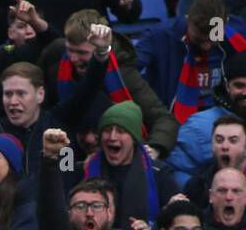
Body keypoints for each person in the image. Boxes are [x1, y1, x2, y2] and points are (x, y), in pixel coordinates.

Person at [132, 0, 246, 119]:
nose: (206, 45)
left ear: (225, 23)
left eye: (213, 39)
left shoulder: (236, 30)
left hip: (228, 118)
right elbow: (130, 66)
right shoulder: (162, 36)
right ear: (188, 20)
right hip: (174, 121)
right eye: (199, 39)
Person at [38, 11, 177, 160]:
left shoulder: (123, 75)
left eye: (82, 52)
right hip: (67, 150)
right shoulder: (55, 57)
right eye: (70, 50)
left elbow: (163, 119)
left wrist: (155, 148)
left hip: (113, 156)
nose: (73, 58)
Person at [170, 48, 246, 188]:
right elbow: (177, 172)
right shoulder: (197, 126)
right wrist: (202, 193)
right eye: (239, 85)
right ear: (227, 86)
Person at [81, 100, 178, 230]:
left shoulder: (160, 173)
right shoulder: (84, 169)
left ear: (134, 138)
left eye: (121, 131)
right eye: (107, 130)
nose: (112, 137)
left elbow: (177, 226)